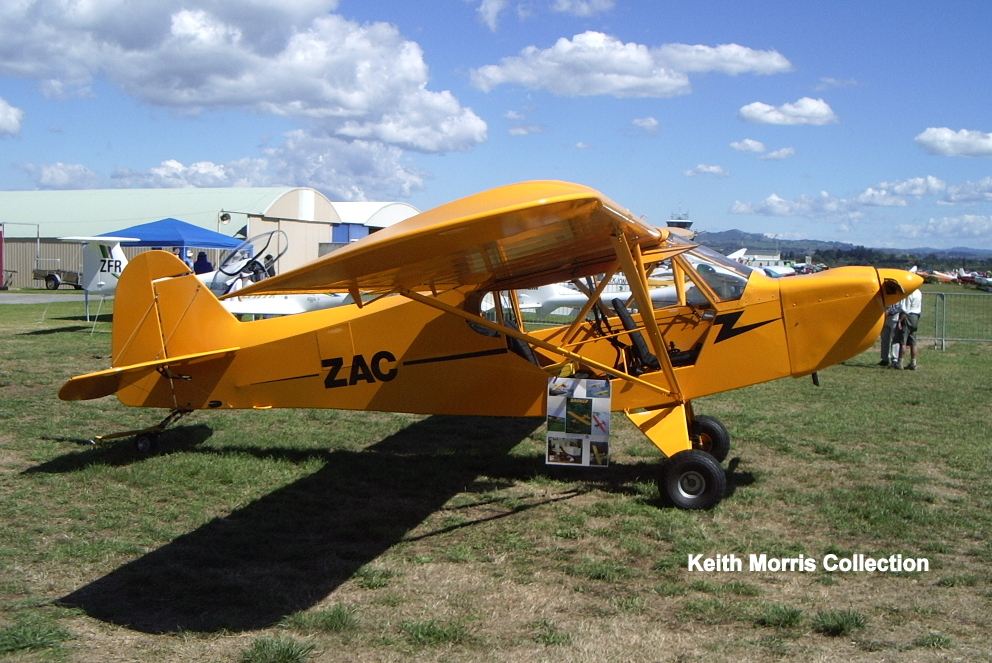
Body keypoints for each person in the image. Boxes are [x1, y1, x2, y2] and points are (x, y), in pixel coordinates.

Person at [894, 286, 922, 370]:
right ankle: (913, 363)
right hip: (916, 316)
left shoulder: (909, 293)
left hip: (907, 317)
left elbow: (905, 310)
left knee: (903, 341)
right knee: (913, 342)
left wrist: (899, 321)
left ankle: (900, 362)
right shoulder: (918, 292)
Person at [878, 302, 901, 366]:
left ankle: (895, 359)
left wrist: (888, 311)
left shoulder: (897, 297)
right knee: (884, 338)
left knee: (894, 339)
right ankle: (885, 359)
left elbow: (898, 307)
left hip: (894, 317)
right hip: (884, 316)